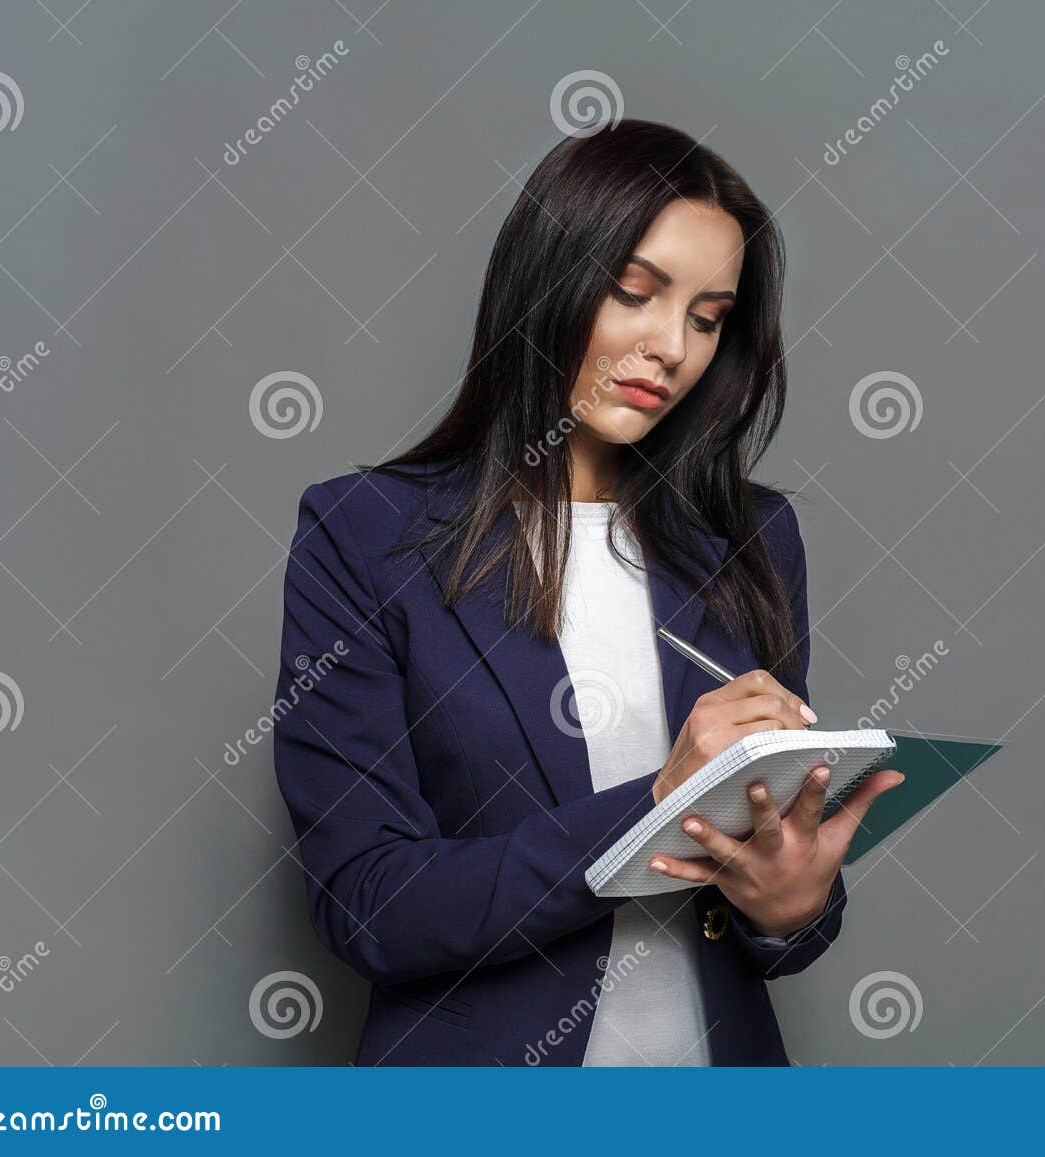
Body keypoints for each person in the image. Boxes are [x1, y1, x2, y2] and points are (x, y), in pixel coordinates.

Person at [271, 118, 903, 1066]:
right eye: (635, 293)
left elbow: (777, 914)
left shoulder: (750, 536)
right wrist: (655, 803)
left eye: (706, 316)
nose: (671, 349)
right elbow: (372, 906)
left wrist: (795, 903)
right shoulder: (365, 535)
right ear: (547, 279)